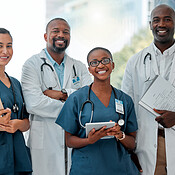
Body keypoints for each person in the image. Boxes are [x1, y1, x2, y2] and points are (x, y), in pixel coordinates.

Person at [21, 18, 92, 175]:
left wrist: (63, 94)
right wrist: (73, 104)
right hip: (44, 141)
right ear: (46, 36)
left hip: (73, 138)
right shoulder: (31, 65)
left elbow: (88, 99)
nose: (61, 35)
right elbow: (34, 103)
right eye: (55, 31)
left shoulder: (78, 66)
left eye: (66, 32)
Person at [56, 47, 140, 175]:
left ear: (112, 65)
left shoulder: (125, 100)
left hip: (120, 168)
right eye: (94, 62)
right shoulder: (77, 99)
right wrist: (89, 140)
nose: (100, 65)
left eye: (105, 60)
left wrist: (120, 135)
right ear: (89, 69)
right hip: (87, 169)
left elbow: (132, 143)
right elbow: (69, 141)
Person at [121, 4, 175, 175]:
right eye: (156, 20)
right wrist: (130, 150)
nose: (161, 24)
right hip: (147, 146)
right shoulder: (135, 62)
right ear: (150, 25)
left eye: (167, 19)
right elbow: (126, 108)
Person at [0, 28, 32, 175]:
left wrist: (18, 124)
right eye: (0, 46)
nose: (5, 51)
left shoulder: (15, 83)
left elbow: (26, 122)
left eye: (9, 45)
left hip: (19, 156)